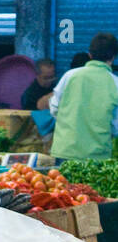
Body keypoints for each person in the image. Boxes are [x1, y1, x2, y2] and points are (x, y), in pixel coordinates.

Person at [49, 32, 118, 162]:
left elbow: (54, 108)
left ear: (89, 54)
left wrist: (70, 123)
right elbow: (116, 125)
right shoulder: (115, 83)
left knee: (61, 177)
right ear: (113, 57)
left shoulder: (70, 75)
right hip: (97, 156)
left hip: (65, 151)